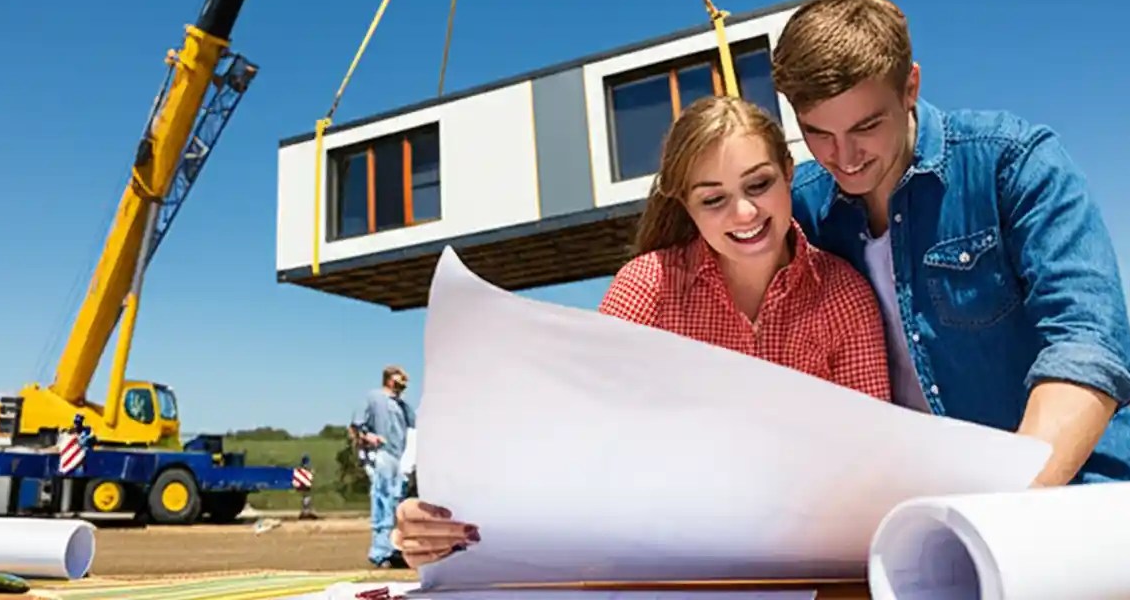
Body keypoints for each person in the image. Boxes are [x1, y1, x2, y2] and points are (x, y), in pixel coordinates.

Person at [387, 94, 895, 568]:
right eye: (712, 199)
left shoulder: (843, 297)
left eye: (759, 184)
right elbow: (572, 439)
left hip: (810, 565)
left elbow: (873, 470)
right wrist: (441, 523)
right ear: (686, 207)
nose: (744, 213)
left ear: (788, 172)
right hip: (666, 566)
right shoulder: (646, 288)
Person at [773, 0, 1130, 487]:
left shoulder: (1016, 163)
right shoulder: (802, 207)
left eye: (867, 126)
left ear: (910, 87)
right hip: (918, 508)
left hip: (1077, 495)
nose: (843, 158)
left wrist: (1009, 507)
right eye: (818, 134)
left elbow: (1087, 345)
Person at [350, 364, 417, 568]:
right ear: (389, 379)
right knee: (383, 500)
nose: (402, 386)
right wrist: (369, 437)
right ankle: (380, 552)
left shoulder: (402, 405)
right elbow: (356, 426)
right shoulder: (373, 398)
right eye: (399, 381)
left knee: (398, 502)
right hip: (382, 454)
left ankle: (395, 547)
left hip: (401, 457)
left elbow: (413, 427)